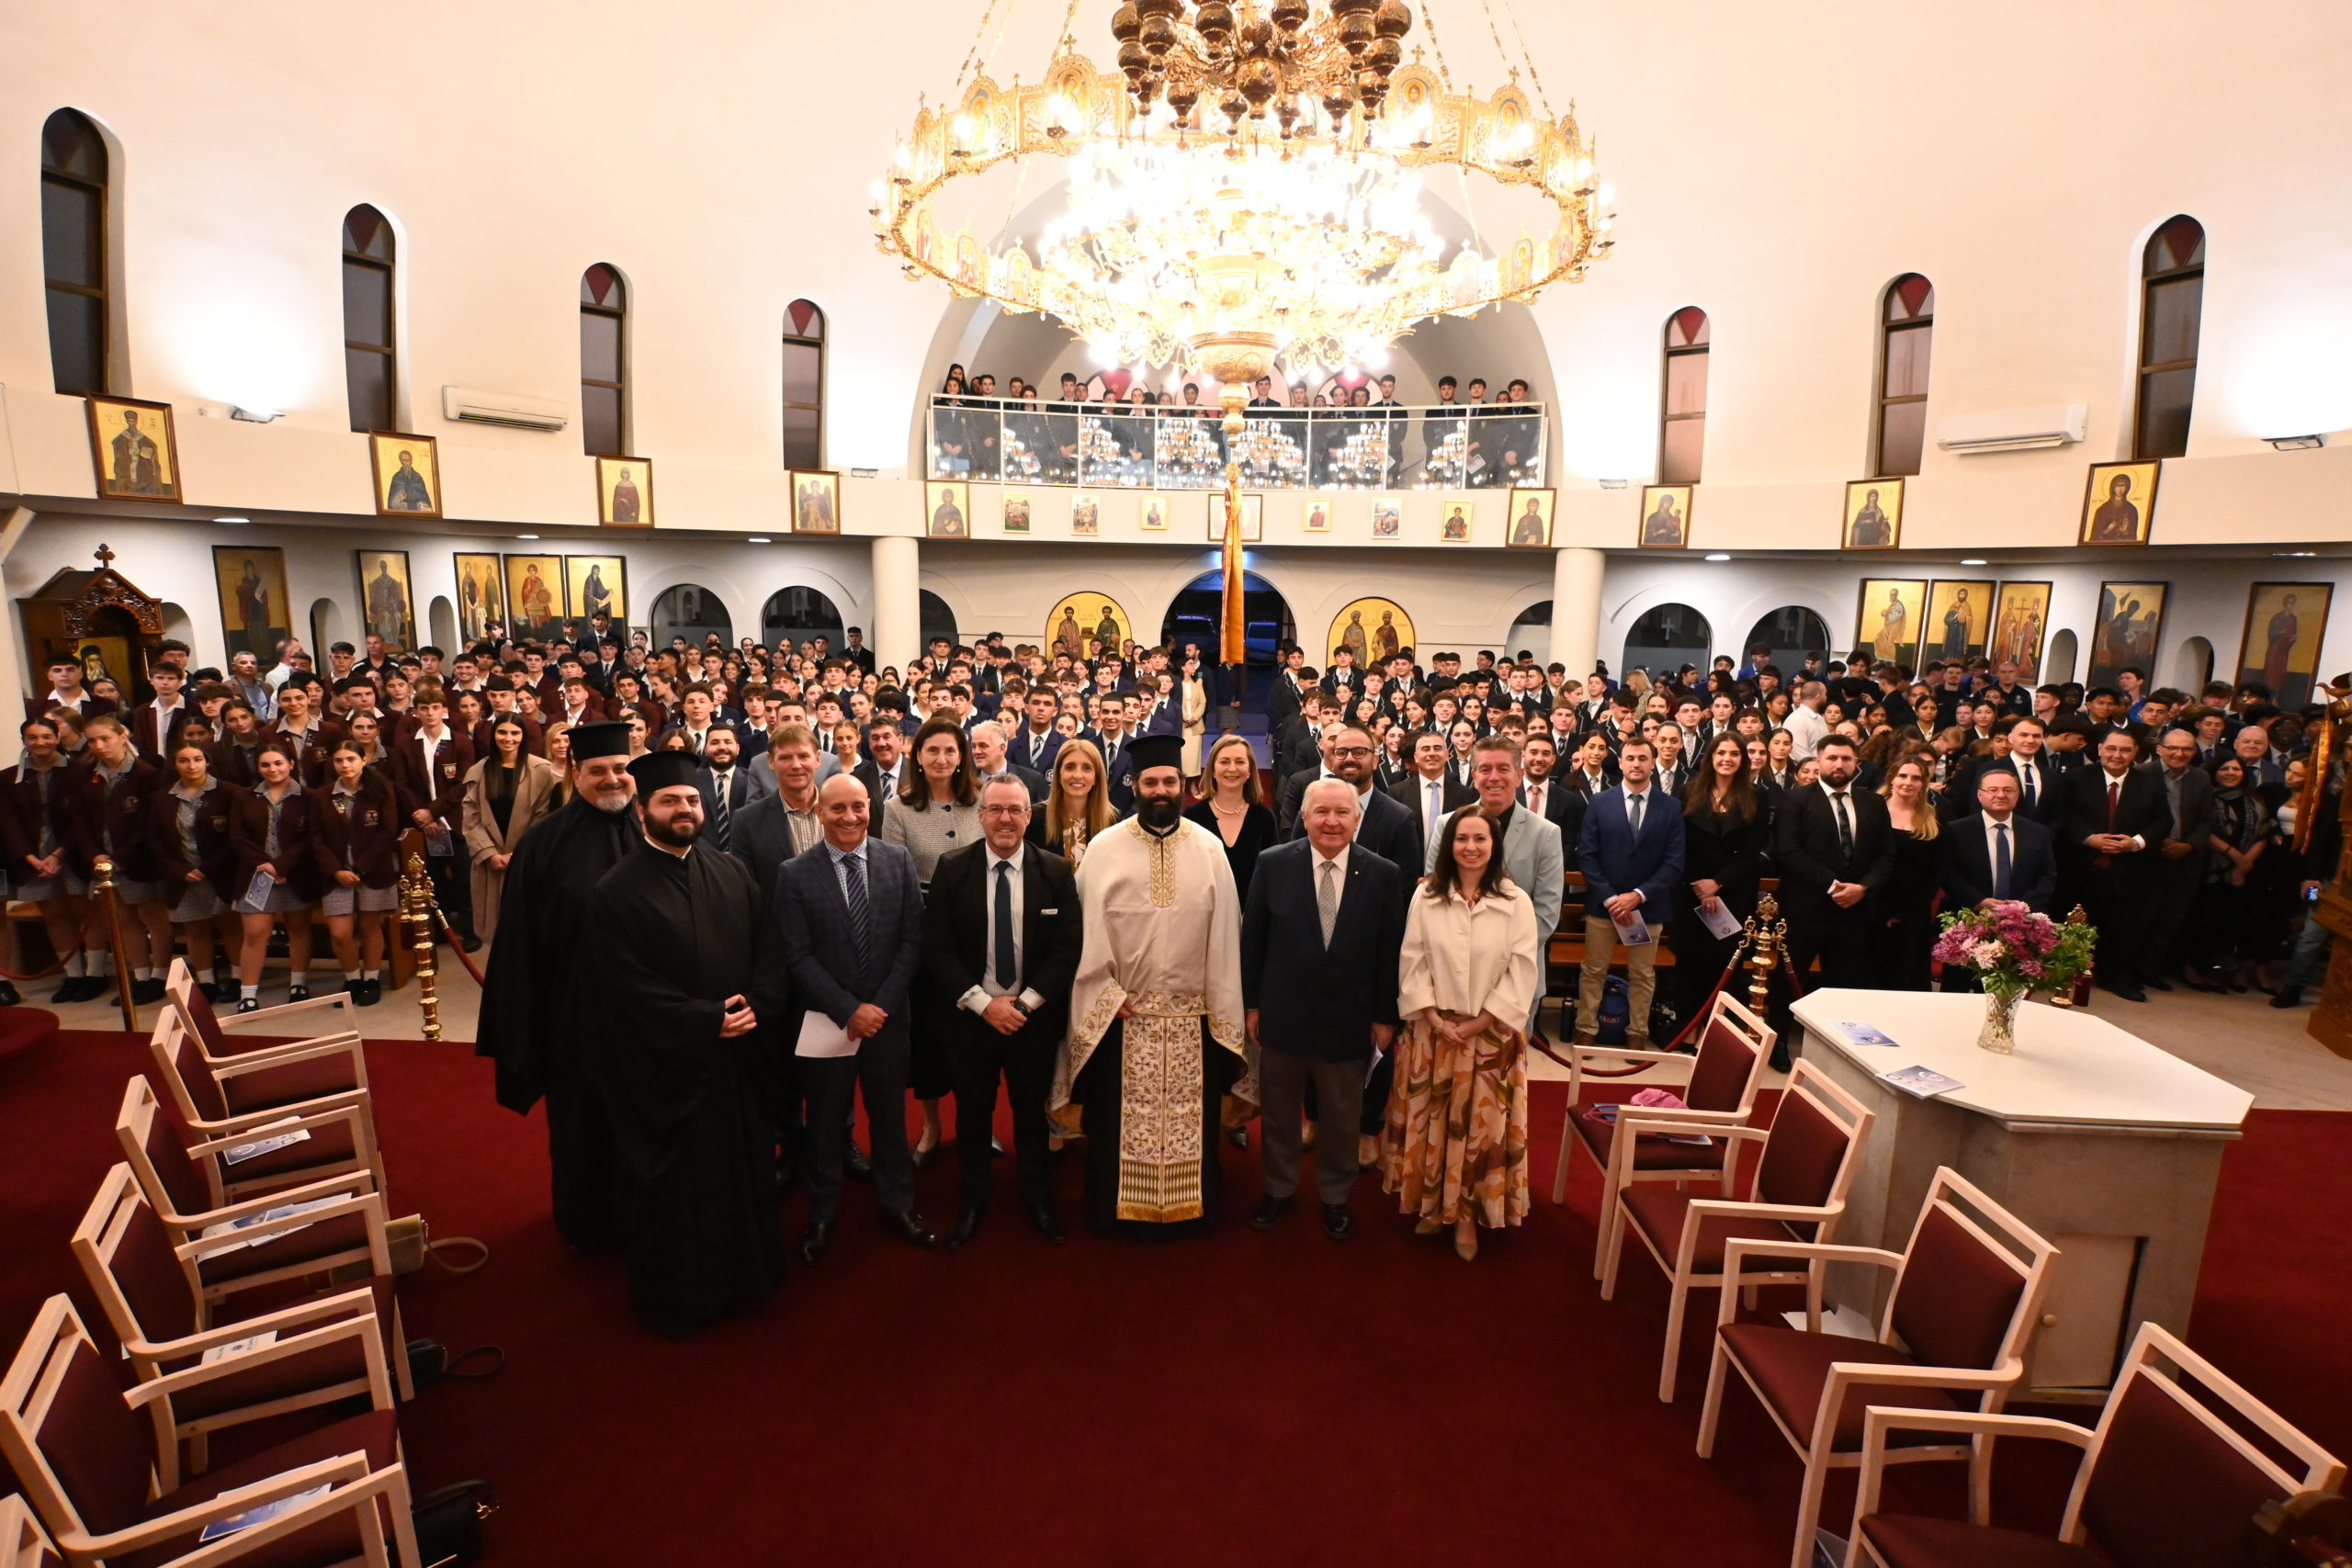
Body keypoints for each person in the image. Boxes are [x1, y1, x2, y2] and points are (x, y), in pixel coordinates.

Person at [576, 750, 785, 1337]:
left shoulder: (730, 870)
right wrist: (702, 1021)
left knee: (742, 1172)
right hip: (667, 1071)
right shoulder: (615, 891)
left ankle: (747, 1282)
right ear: (643, 810)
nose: (684, 809)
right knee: (682, 1190)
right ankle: (686, 1299)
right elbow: (621, 987)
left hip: (737, 1059)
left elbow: (767, 947)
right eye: (670, 801)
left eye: (692, 799)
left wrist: (755, 1008)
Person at [1050, 734, 1251, 1237]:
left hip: (1193, 1016)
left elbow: (1227, 931)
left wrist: (1218, 1000)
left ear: (1183, 786)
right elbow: (1084, 928)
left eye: (1169, 782)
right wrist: (1104, 991)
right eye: (1150, 782)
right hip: (1123, 1013)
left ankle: (1190, 1210)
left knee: (1193, 1123)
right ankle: (1116, 1212)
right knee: (1117, 1123)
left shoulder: (1209, 848)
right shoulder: (1104, 848)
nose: (1160, 790)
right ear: (1134, 786)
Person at [477, 720, 643, 1252]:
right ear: (575, 772)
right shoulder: (545, 842)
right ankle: (586, 1226)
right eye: (598, 771)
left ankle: (646, 1217)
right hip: (577, 1019)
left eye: (621, 770)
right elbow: (520, 939)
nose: (612, 780)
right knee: (582, 1128)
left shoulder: (654, 829)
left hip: (648, 1020)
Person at [775, 773, 937, 1261]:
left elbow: (913, 941)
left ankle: (898, 1205)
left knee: (890, 1120)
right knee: (824, 1125)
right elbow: (797, 956)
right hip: (828, 1022)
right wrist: (849, 1010)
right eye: (838, 808)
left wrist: (878, 1007)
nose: (850, 818)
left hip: (887, 1020)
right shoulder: (794, 873)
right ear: (820, 812)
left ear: (872, 809)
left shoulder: (897, 860)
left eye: (859, 807)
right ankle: (822, 1214)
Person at [922, 775, 1083, 1247]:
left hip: (1032, 1021)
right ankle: (973, 1201)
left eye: (1015, 810)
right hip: (972, 1020)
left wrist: (1026, 1004)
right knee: (973, 1114)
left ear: (1029, 816)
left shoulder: (1055, 871)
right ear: (981, 816)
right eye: (995, 810)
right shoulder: (952, 869)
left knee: (1031, 1115)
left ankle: (1037, 1197)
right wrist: (983, 1004)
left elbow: (1066, 949)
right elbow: (938, 950)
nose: (1006, 819)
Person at [1243, 779, 1406, 1242]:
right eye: (1321, 812)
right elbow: (1252, 940)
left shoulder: (1383, 874)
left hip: (1350, 1018)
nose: (1331, 821)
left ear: (1357, 818)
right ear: (1306, 817)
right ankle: (1279, 1187)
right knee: (1277, 1112)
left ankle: (1335, 1195)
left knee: (1341, 1114)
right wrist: (1252, 1005)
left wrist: (1384, 1017)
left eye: (1342, 812)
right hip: (1281, 1015)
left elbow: (1389, 951)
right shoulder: (1272, 864)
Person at [1385, 807, 1539, 1262]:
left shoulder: (1516, 901)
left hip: (1489, 1038)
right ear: (1448, 845)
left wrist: (1482, 1021)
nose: (1471, 848)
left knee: (1478, 1130)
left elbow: (1522, 968)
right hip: (1433, 1033)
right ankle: (1432, 1204)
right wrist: (1431, 1016)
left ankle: (1468, 1214)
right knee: (1432, 1120)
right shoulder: (1426, 896)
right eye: (1461, 839)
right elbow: (1411, 958)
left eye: (1481, 839)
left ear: (1495, 846)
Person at [879, 716, 983, 1167]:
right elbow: (893, 879)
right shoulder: (898, 808)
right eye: (932, 751)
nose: (941, 759)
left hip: (977, 935)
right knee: (928, 1037)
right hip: (923, 935)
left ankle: (974, 1127)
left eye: (950, 751)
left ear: (962, 757)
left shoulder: (982, 803)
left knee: (973, 1037)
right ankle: (931, 1126)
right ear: (917, 757)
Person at [1422, 734, 1565, 1035]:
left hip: (1514, 975)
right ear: (1474, 776)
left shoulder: (1546, 834)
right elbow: (1434, 898)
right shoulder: (1447, 826)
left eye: (1503, 768)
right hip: (1451, 975)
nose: (1494, 777)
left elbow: (1546, 913)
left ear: (1519, 775)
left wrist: (1497, 963)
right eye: (1485, 769)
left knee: (1501, 1077)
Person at [1574, 736, 1684, 1048]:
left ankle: (1637, 1032)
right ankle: (1587, 1027)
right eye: (1630, 758)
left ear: (1653, 763)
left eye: (1642, 758)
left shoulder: (1671, 806)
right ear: (1620, 763)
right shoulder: (1600, 802)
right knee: (1593, 969)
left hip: (1646, 907)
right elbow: (1587, 855)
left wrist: (1638, 895)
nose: (1636, 764)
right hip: (1604, 905)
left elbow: (1674, 862)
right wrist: (1611, 897)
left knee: (1642, 973)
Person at [2060, 730, 2170, 1002]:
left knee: (2123, 927)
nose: (2116, 755)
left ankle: (2116, 978)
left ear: (2135, 753)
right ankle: (2062, 976)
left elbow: (2163, 821)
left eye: (2124, 750)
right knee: (2072, 926)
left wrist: (2136, 843)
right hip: (2081, 865)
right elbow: (2064, 814)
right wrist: (2089, 838)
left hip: (2129, 868)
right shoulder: (2076, 778)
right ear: (2099, 749)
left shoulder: (2150, 782)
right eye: (2111, 749)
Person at [1671, 733, 1769, 1023]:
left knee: (1726, 966)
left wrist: (1718, 883)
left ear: (1743, 759)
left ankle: (1717, 1031)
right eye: (1721, 753)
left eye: (1734, 754)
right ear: (1711, 758)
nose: (1727, 759)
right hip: (1691, 893)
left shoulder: (1757, 798)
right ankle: (1685, 1030)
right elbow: (1678, 844)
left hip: (1734, 894)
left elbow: (1752, 850)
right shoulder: (1687, 792)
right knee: (1690, 965)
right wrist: (1701, 886)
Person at [6, 717, 99, 1001]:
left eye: (46, 736)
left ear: (57, 737)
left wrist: (59, 854)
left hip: (72, 852)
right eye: (32, 738)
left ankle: (95, 974)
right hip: (32, 856)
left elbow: (83, 819)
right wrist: (31, 858)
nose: (40, 743)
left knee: (84, 911)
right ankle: (73, 975)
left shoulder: (80, 770)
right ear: (24, 741)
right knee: (54, 915)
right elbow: (9, 823)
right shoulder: (10, 777)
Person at [227, 740, 318, 1010]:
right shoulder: (244, 796)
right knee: (255, 933)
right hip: (255, 874)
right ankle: (248, 993)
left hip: (294, 874)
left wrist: (282, 865)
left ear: (291, 764)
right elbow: (237, 836)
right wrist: (265, 865)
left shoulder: (308, 797)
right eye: (265, 764)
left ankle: (298, 983)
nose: (272, 769)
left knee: (298, 929)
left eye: (278, 763)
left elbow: (312, 838)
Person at [150, 739, 242, 1007]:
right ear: (175, 764)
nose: (191, 766)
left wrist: (207, 868)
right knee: (196, 930)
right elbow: (155, 841)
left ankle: (237, 979)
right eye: (184, 760)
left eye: (197, 759)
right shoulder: (162, 797)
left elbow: (235, 838)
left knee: (231, 928)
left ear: (207, 762)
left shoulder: (229, 793)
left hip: (220, 873)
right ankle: (207, 981)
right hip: (183, 876)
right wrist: (181, 870)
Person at [311, 739, 400, 1005]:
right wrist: (337, 870)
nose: (345, 765)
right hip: (336, 873)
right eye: (339, 760)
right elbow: (316, 838)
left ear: (363, 760)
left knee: (370, 926)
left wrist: (361, 867)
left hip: (372, 870)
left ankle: (371, 979)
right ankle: (352, 978)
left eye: (350, 759)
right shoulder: (323, 795)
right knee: (340, 932)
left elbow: (387, 833)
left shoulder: (381, 790)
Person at [460, 714, 560, 942]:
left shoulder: (542, 770)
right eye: (502, 732)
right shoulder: (479, 771)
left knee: (529, 930)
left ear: (523, 736)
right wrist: (490, 854)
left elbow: (543, 817)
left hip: (526, 859)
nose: (508, 738)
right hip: (491, 861)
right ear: (493, 735)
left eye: (515, 733)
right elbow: (471, 817)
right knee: (497, 933)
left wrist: (518, 854)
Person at [1871, 754, 1944, 992]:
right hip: (1872, 908)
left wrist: (1906, 909)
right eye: (1902, 775)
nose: (1908, 782)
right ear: (1891, 778)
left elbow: (1935, 870)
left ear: (1924, 783)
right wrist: (1883, 909)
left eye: (1916, 777)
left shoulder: (1933, 817)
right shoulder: (1872, 809)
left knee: (1906, 976)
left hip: (1913, 912)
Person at [1941, 770, 2056, 918]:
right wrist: (1978, 901)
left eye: (2008, 790)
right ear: (1979, 795)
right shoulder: (1956, 830)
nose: (2001, 795)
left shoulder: (2038, 832)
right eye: (1993, 790)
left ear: (2017, 795)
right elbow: (1948, 872)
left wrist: (2021, 906)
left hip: (2024, 919)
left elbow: (2047, 876)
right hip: (1970, 916)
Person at [1185, 732, 1277, 906]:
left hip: (1250, 919)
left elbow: (1271, 877)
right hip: (1204, 917)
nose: (1232, 769)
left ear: (1250, 770)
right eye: (1225, 761)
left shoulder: (1264, 817)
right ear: (1212, 770)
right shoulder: (1192, 817)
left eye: (1240, 762)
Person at [1030, 736, 1114, 865]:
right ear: (1058, 775)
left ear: (1096, 778)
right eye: (1070, 767)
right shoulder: (1035, 818)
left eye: (1087, 768)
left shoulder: (1112, 820)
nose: (1077, 775)